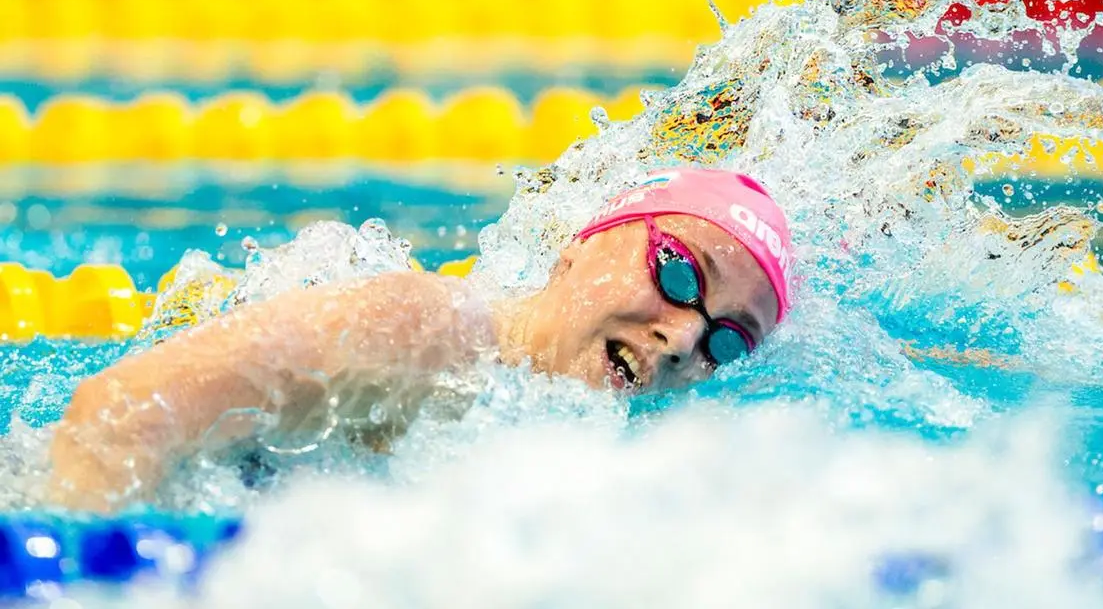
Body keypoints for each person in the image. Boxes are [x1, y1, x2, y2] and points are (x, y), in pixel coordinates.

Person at [46, 167, 794, 511]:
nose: (682, 337)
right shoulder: (425, 329)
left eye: (727, 341)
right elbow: (117, 415)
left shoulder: (589, 459)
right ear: (577, 245)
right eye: (680, 274)